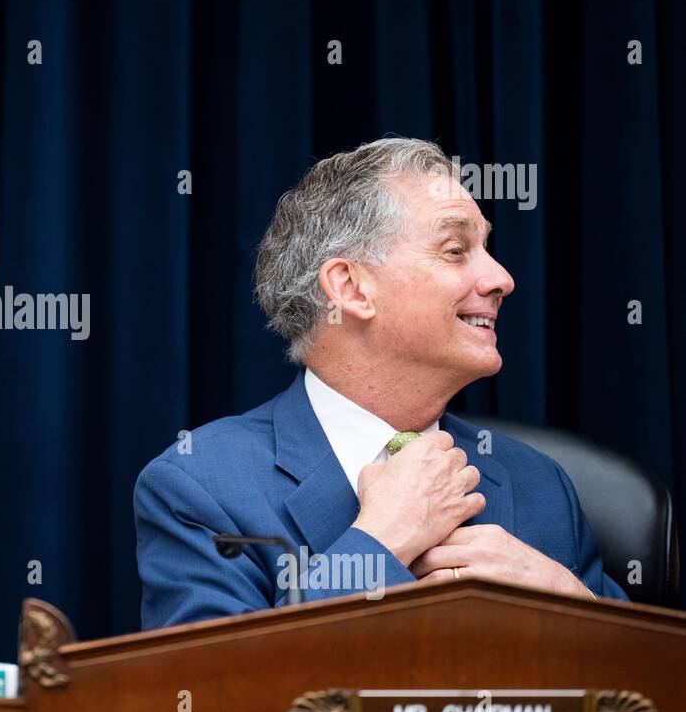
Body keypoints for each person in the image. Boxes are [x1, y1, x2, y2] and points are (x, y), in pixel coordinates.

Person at [135, 138, 629, 630]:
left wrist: (572, 602)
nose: (501, 277)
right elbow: (212, 698)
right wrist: (380, 541)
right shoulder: (200, 486)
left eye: (486, 249)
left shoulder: (541, 484)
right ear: (350, 288)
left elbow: (654, 694)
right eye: (456, 250)